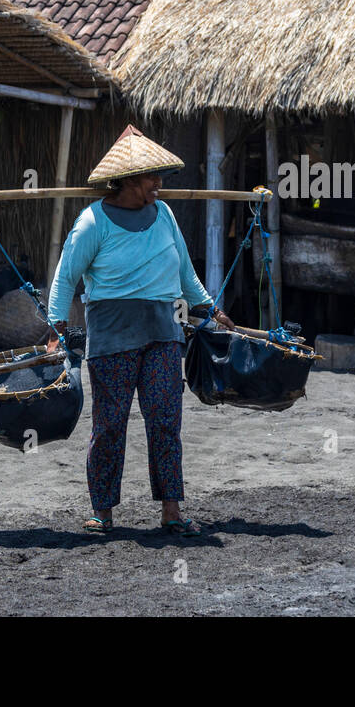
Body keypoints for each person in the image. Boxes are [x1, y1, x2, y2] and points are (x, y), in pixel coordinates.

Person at [47, 125, 235, 537]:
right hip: (112, 338)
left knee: (165, 420)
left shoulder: (164, 214)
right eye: (151, 177)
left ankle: (171, 508)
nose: (158, 184)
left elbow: (185, 273)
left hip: (165, 335)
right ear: (128, 181)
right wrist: (57, 328)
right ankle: (103, 511)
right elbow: (65, 279)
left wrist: (211, 309)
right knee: (110, 424)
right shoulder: (92, 222)